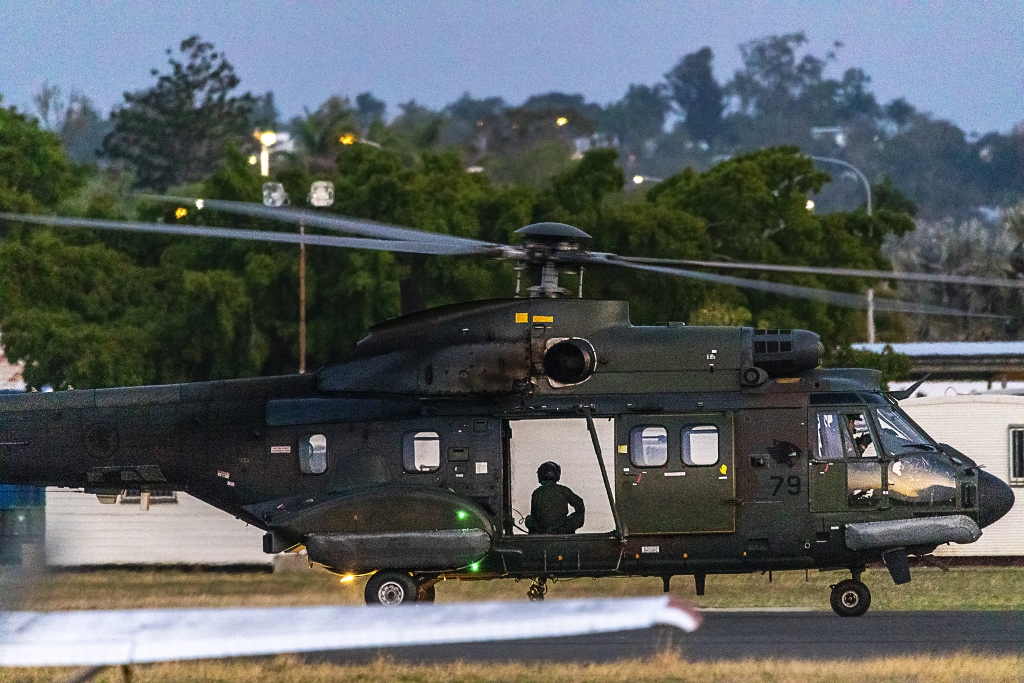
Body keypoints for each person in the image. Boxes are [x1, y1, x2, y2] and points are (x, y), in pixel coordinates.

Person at [525, 461, 585, 534]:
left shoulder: (536, 492)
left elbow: (534, 514)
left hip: (542, 530)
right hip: (562, 528)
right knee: (577, 516)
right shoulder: (564, 490)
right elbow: (580, 504)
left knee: (529, 519)